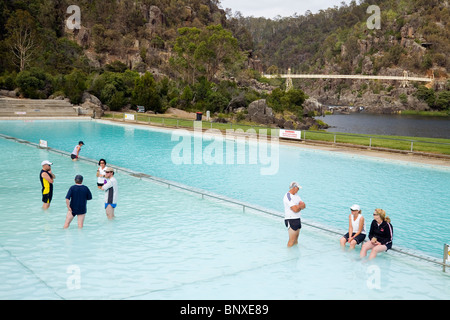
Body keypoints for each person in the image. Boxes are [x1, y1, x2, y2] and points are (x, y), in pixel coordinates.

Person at [283, 181, 306, 247]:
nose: (298, 189)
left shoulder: (297, 195)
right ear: (294, 188)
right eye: (298, 188)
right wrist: (299, 207)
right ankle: (289, 255)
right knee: (292, 240)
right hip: (291, 219)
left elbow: (303, 205)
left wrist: (298, 207)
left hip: (297, 218)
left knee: (296, 240)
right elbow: (295, 210)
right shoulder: (288, 196)